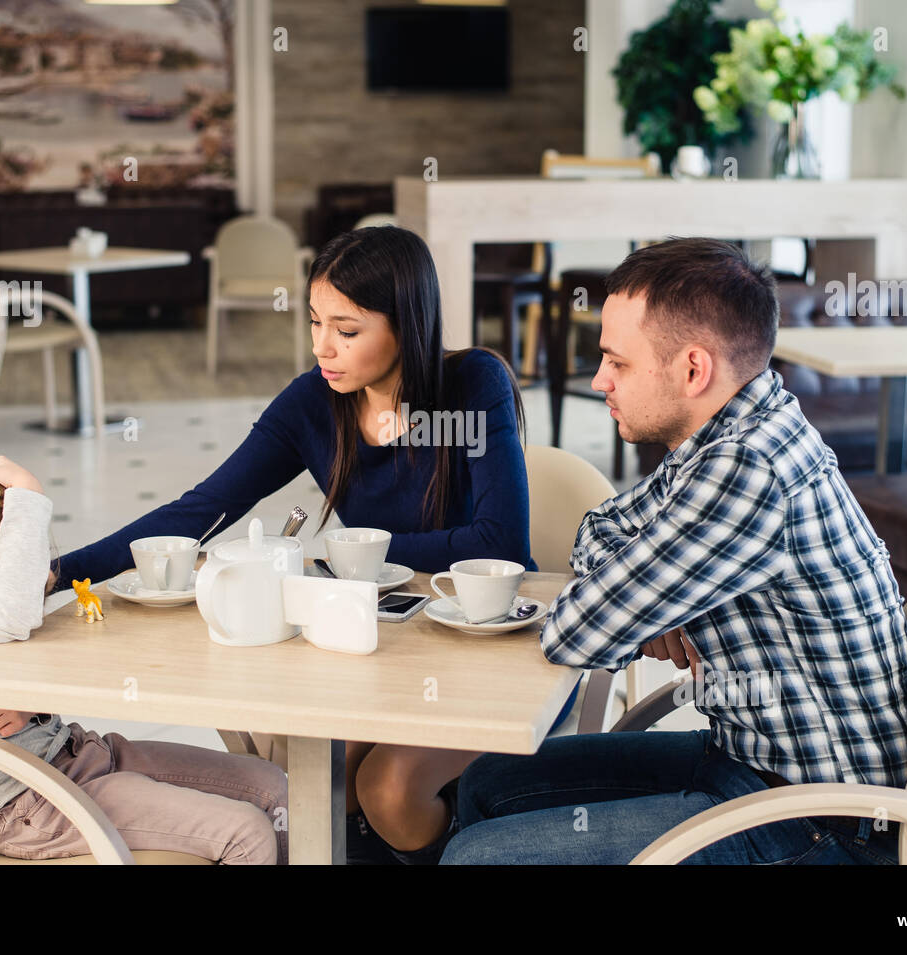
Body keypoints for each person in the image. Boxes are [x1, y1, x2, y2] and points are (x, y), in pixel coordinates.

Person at [46, 226, 555, 863]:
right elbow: (201, 510)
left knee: (388, 790)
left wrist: (345, 557)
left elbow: (499, 541)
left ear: (408, 324)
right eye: (315, 322)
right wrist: (59, 573)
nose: (323, 347)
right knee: (317, 774)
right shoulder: (314, 402)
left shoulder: (473, 383)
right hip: (388, 643)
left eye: (347, 329)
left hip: (494, 648)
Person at [440, 237, 907, 865]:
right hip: (751, 761)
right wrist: (664, 605)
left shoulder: (748, 468)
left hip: (822, 821)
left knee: (478, 858)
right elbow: (600, 528)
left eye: (618, 362)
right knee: (486, 785)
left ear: (693, 369)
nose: (599, 379)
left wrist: (651, 604)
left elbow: (576, 634)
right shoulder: (726, 433)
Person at [0, 456, 288, 863]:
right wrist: (26, 495)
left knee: (273, 787)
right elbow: (8, 617)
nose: (9, 624)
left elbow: (12, 635)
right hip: (19, 805)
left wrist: (31, 708)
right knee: (247, 832)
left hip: (73, 756)